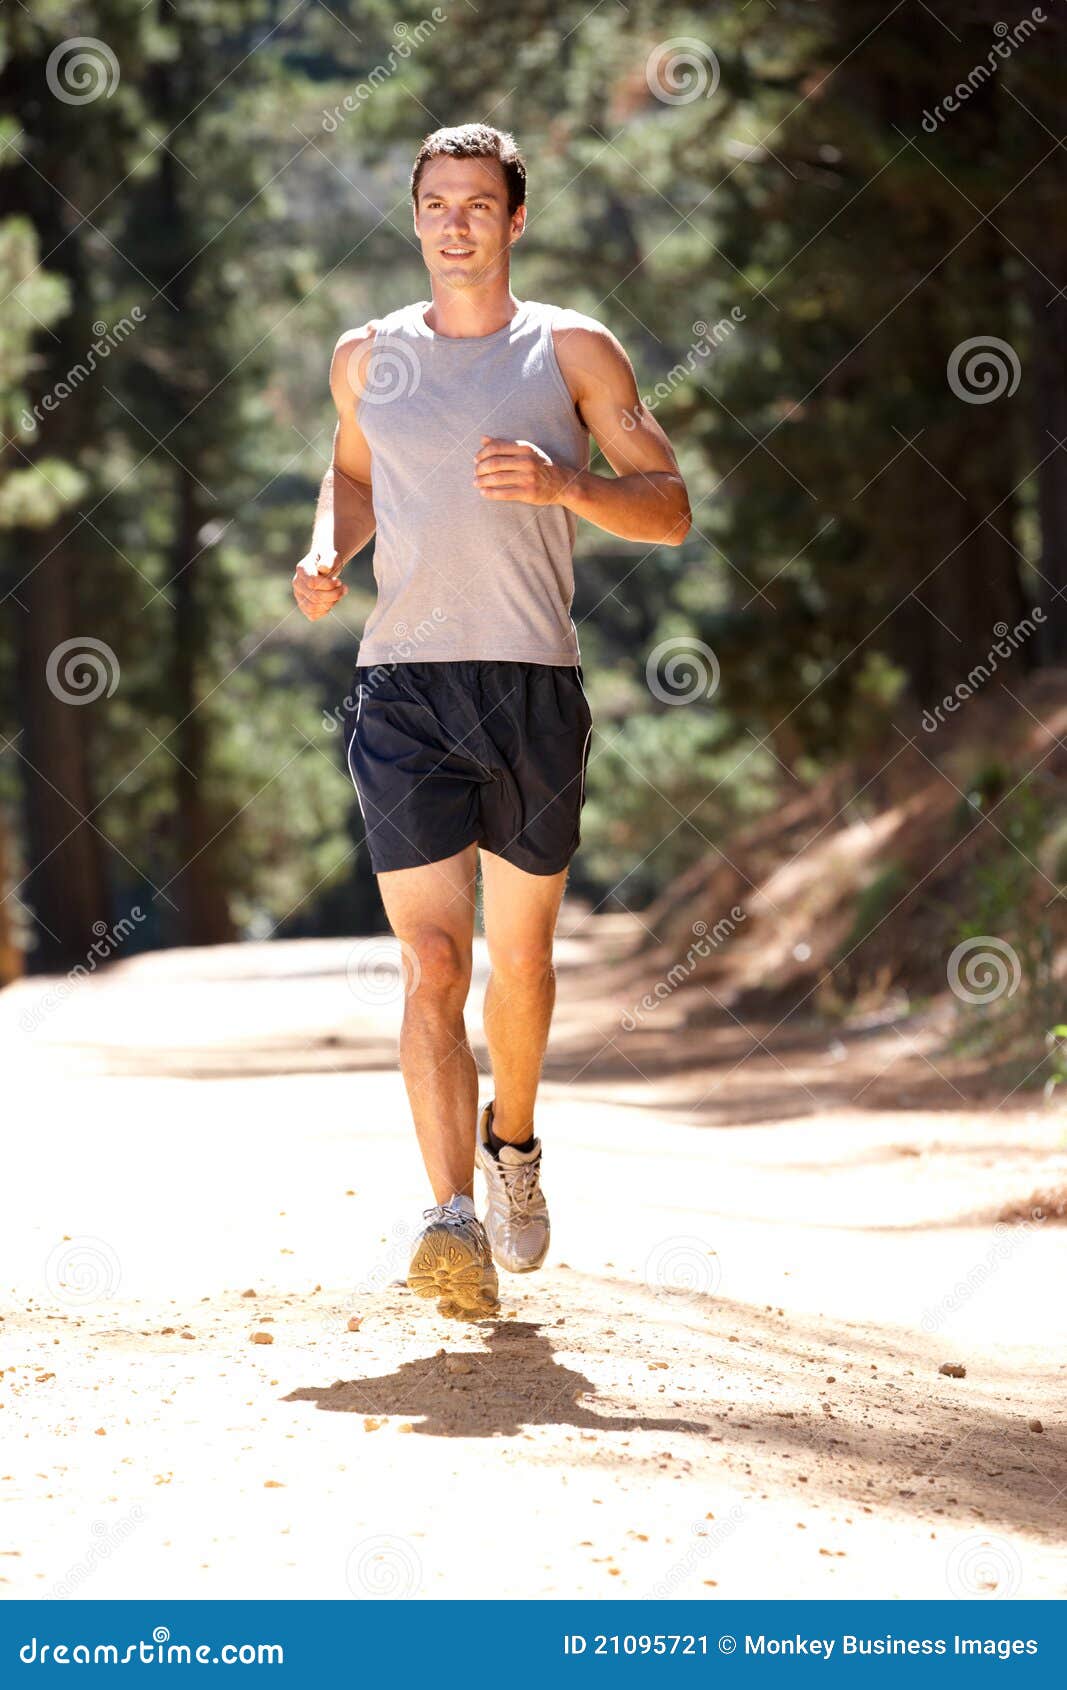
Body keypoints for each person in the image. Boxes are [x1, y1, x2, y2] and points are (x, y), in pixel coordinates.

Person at [293, 123, 691, 1319]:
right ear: (412, 216)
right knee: (431, 962)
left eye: (477, 203)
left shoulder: (571, 349)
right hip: (401, 685)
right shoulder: (367, 356)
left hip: (529, 683)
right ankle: (448, 1215)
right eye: (433, 202)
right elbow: (353, 473)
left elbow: (667, 509)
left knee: (517, 961)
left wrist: (568, 483)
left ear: (515, 221)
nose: (454, 221)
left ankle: (511, 1145)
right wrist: (326, 545)